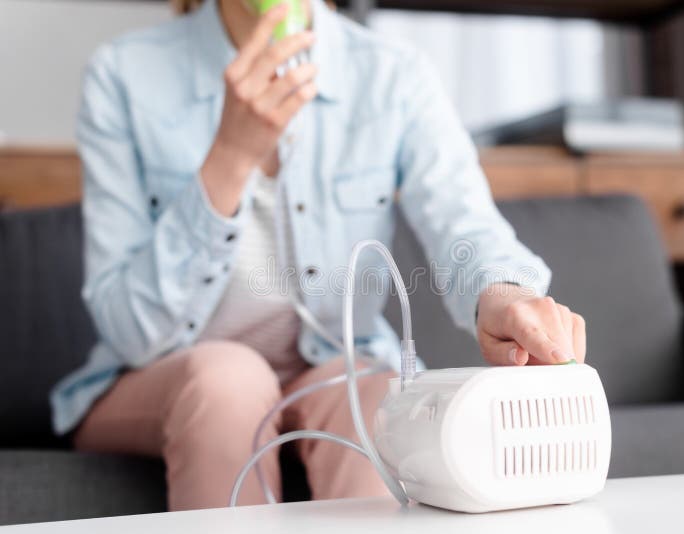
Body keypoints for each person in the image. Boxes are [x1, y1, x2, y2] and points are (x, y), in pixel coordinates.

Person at [50, 0, 587, 511]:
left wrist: (505, 295)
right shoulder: (122, 75)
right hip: (162, 375)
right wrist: (230, 157)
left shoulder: (393, 75)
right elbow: (129, 330)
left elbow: (464, 223)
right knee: (229, 378)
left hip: (329, 365)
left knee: (376, 388)